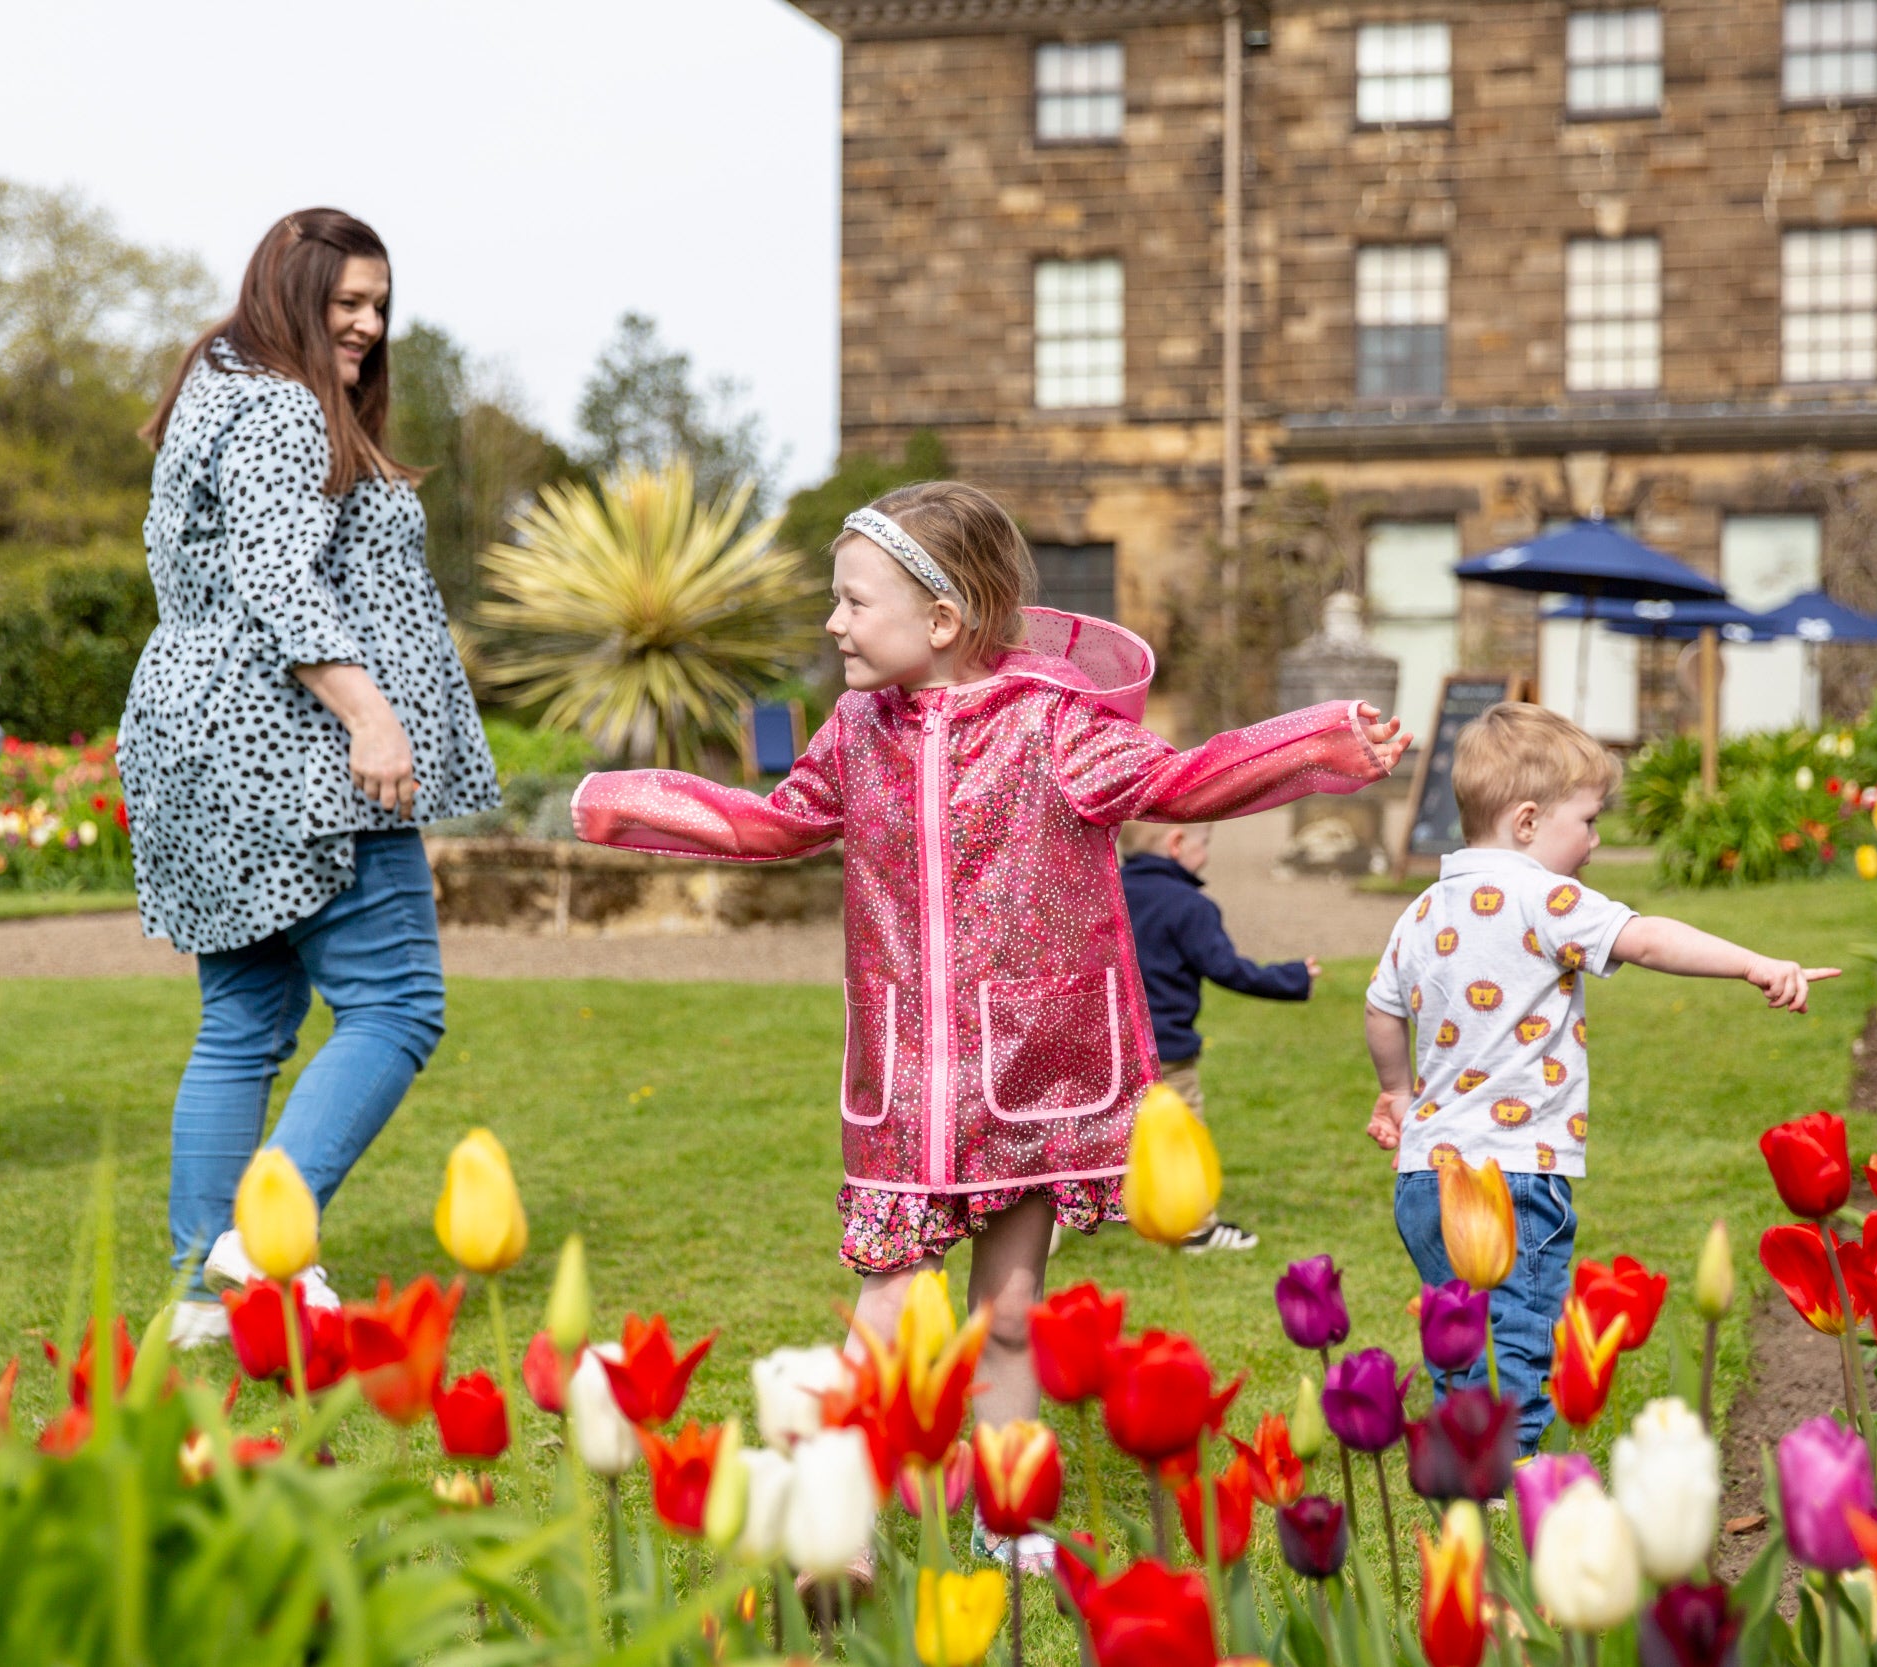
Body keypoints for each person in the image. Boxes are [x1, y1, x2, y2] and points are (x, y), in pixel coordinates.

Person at [576, 481, 1408, 1565]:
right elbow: (776, 824)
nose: (833, 623)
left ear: (940, 619)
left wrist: (1321, 743)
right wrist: (624, 803)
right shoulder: (852, 729)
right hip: (910, 1081)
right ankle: (843, 1510)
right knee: (886, 1298)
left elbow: (1181, 780)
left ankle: (1007, 1514)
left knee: (1011, 1307)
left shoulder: (1052, 724)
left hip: (1034, 1070)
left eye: (852, 601)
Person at [122, 209, 499, 1347]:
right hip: (291, 750)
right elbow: (283, 580)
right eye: (345, 304)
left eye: (379, 305)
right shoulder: (282, 408)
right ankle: (255, 1246)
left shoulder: (215, 395)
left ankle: (201, 1290)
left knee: (243, 1016)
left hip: (198, 740)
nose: (369, 326)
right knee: (396, 1006)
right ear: (290, 296)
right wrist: (374, 720)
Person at [1362, 702, 1836, 1449]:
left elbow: (1382, 1009)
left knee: (1459, 1333)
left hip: (1425, 1172)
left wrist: (1396, 1091)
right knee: (1517, 1333)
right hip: (1514, 1171)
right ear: (1526, 822)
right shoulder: (1546, 897)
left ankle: (1462, 1464)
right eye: (1586, 820)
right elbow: (1645, 937)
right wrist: (1752, 962)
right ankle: (1507, 1482)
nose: (1596, 839)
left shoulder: (1420, 910)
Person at [1117, 821, 1318, 1253]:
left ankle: (1064, 1214)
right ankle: (1196, 1228)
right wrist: (1292, 977)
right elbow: (1228, 969)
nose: (1205, 856)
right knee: (1181, 1136)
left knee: (1105, 1131)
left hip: (1110, 1050)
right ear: (1176, 845)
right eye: (1203, 845)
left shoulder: (1105, 893)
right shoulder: (1190, 906)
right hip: (1166, 1052)